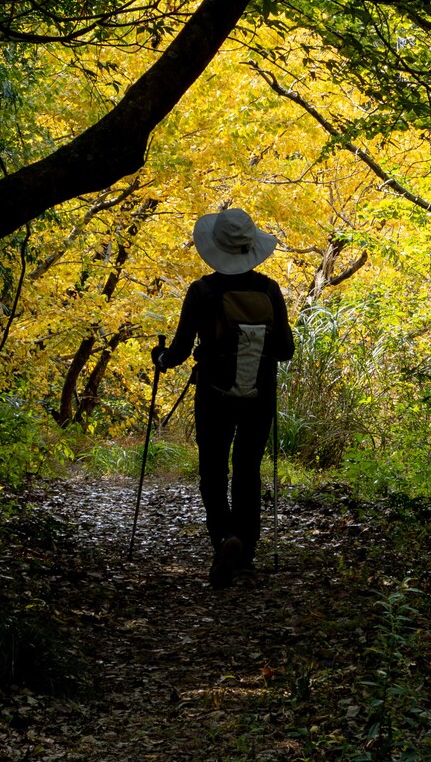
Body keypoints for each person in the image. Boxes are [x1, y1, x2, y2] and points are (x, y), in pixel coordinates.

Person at [153, 207, 294, 588]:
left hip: (213, 395)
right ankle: (245, 549)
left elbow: (180, 351)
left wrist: (162, 360)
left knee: (213, 470)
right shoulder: (269, 289)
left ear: (216, 249)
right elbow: (285, 350)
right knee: (247, 469)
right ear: (250, 248)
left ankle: (224, 540)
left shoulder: (202, 291)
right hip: (259, 395)